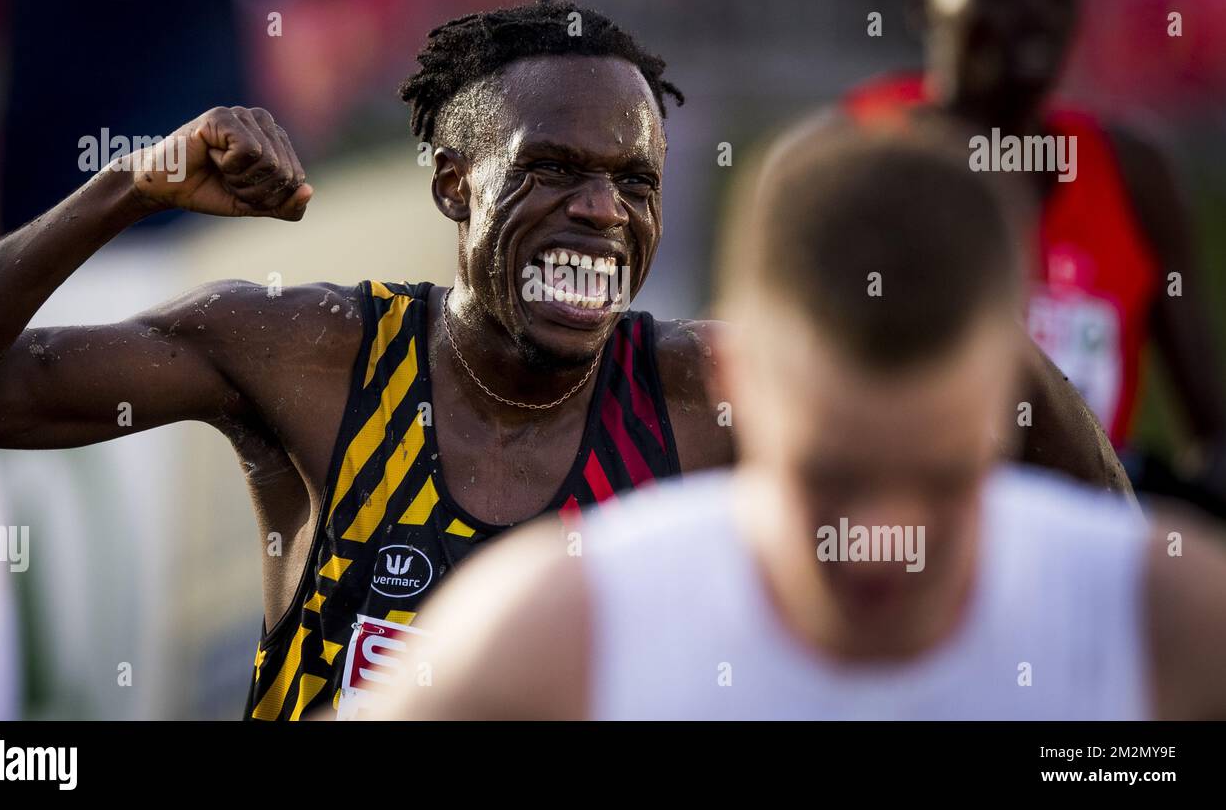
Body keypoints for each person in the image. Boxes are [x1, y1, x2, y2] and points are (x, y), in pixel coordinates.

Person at [0, 0, 1123, 721]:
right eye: (552, 168)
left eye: (634, 182)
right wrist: (125, 187)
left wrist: (972, 331)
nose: (601, 211)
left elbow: (1066, 512)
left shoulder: (706, 392)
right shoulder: (303, 350)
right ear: (454, 183)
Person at [368, 128, 1226, 720]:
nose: (886, 540)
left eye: (944, 476)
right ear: (734, 375)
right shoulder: (550, 641)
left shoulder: (1173, 629)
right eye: (832, 475)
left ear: (1008, 398)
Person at [840, 0, 1226, 500]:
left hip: (1082, 567)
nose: (1033, 12)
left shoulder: (1133, 172)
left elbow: (1211, 438)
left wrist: (1145, 493)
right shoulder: (857, 157)